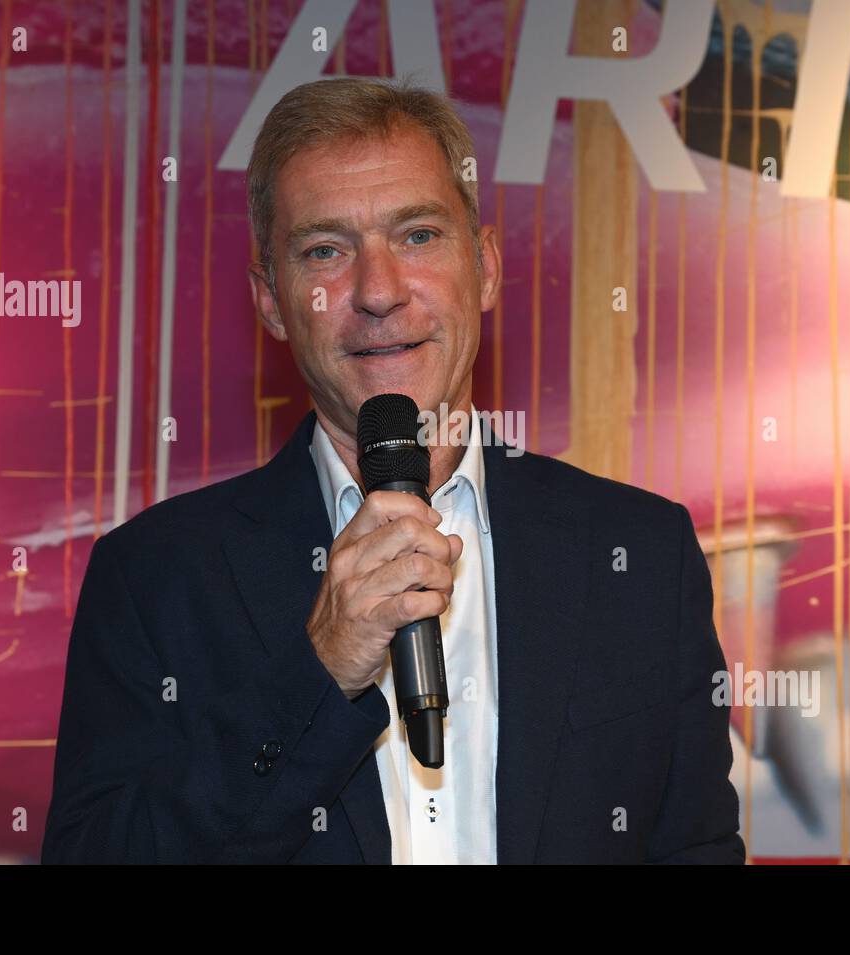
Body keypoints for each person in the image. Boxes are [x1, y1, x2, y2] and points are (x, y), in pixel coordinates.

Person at [41, 76, 744, 864]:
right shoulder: (155, 579)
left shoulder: (640, 553)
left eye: (417, 235)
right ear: (271, 300)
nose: (378, 292)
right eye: (325, 251)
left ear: (484, 267)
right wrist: (320, 669)